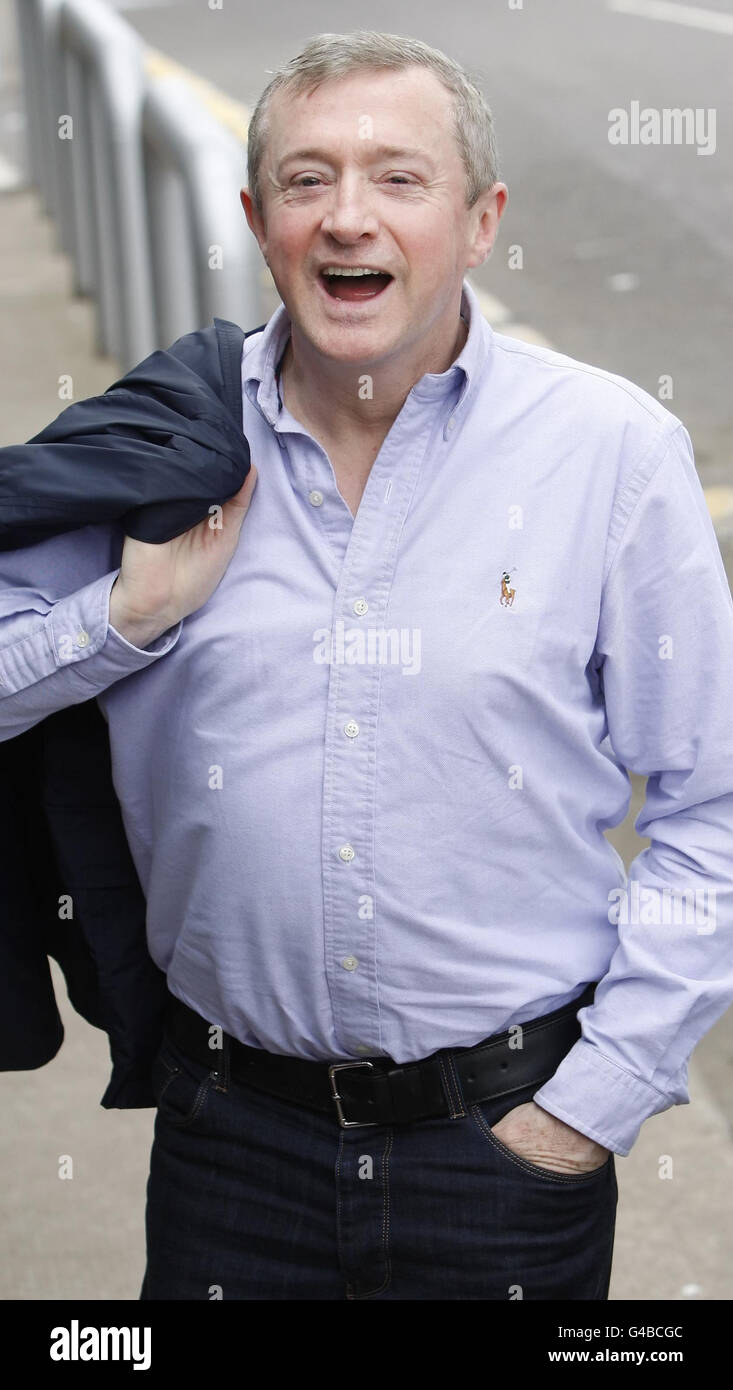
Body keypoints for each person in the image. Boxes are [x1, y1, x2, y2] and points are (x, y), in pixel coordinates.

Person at [3, 30, 733, 1301]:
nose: (348, 218)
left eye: (399, 178)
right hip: (229, 1139)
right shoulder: (156, 453)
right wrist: (120, 617)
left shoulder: (610, 452)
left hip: (508, 1150)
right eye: (306, 180)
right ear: (255, 217)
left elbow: (710, 806)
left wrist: (593, 1101)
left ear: (480, 219)